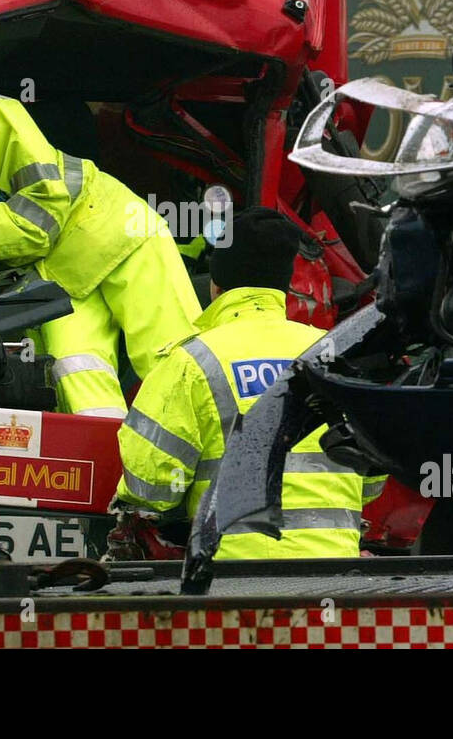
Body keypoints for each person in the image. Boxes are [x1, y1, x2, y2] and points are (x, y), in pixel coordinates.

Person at [0, 58, 201, 418]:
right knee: (76, 378)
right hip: (58, 279)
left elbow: (45, 212)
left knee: (173, 361)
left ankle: (216, 463)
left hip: (119, 236)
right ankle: (108, 468)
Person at [110, 206, 387, 559]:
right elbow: (374, 476)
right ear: (284, 282)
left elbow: (151, 490)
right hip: (331, 575)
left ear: (216, 284)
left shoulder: (193, 363)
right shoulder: (338, 357)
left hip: (232, 581)